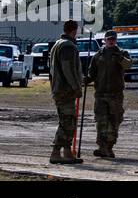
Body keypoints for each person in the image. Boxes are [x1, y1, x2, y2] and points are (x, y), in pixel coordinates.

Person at [87, 29, 132, 159]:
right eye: (109, 39)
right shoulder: (98, 55)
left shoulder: (122, 53)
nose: (111, 41)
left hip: (115, 95)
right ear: (104, 40)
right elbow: (92, 73)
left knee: (114, 121)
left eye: (113, 39)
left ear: (116, 40)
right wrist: (87, 79)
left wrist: (119, 57)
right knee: (101, 121)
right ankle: (101, 147)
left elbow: (128, 65)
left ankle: (109, 147)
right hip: (100, 94)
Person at [48, 19, 84, 165]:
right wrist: (76, 87)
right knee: (67, 122)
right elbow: (67, 69)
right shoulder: (68, 46)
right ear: (74, 30)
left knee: (69, 121)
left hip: (59, 88)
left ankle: (67, 152)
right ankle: (56, 152)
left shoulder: (58, 44)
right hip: (65, 90)